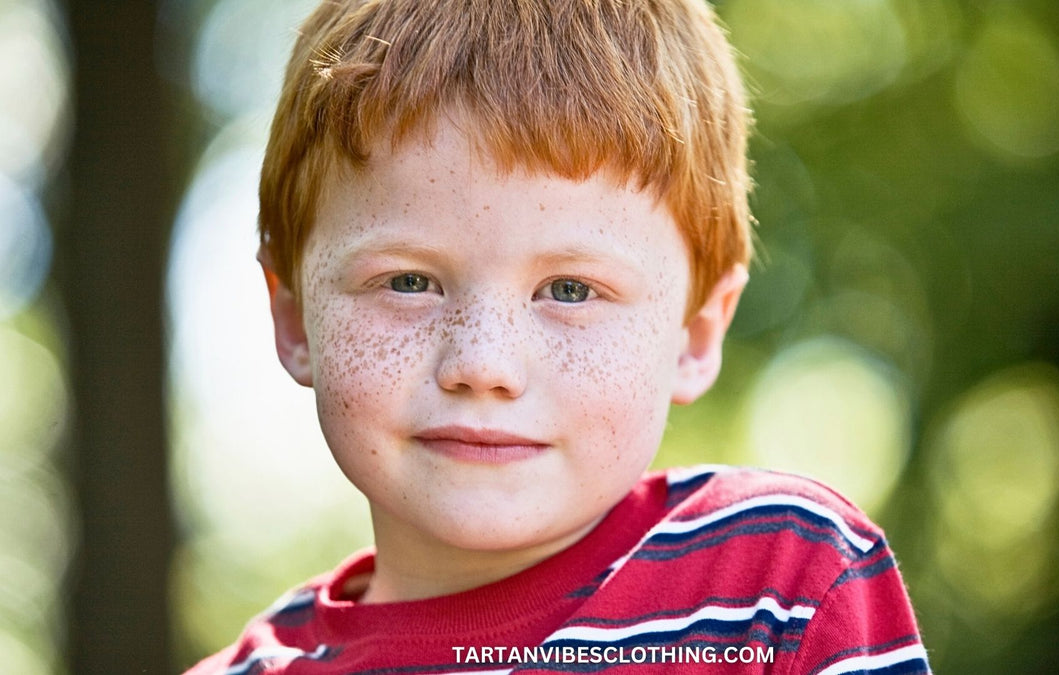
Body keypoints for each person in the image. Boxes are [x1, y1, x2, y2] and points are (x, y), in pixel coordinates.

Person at [184, 1, 929, 673]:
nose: (482, 364)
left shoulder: (776, 593)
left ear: (695, 333)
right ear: (293, 318)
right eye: (409, 281)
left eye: (570, 290)